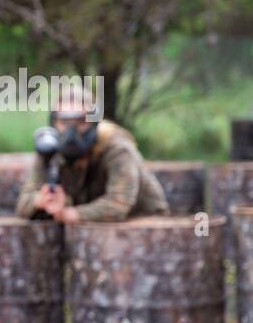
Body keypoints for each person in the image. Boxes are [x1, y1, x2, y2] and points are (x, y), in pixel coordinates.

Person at [16, 85, 168, 223]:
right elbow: (24, 203)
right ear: (53, 122)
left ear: (94, 123)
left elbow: (118, 204)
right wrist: (42, 200)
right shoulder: (49, 148)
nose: (71, 133)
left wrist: (67, 214)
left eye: (81, 122)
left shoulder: (115, 147)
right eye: (64, 123)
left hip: (142, 222)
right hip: (91, 230)